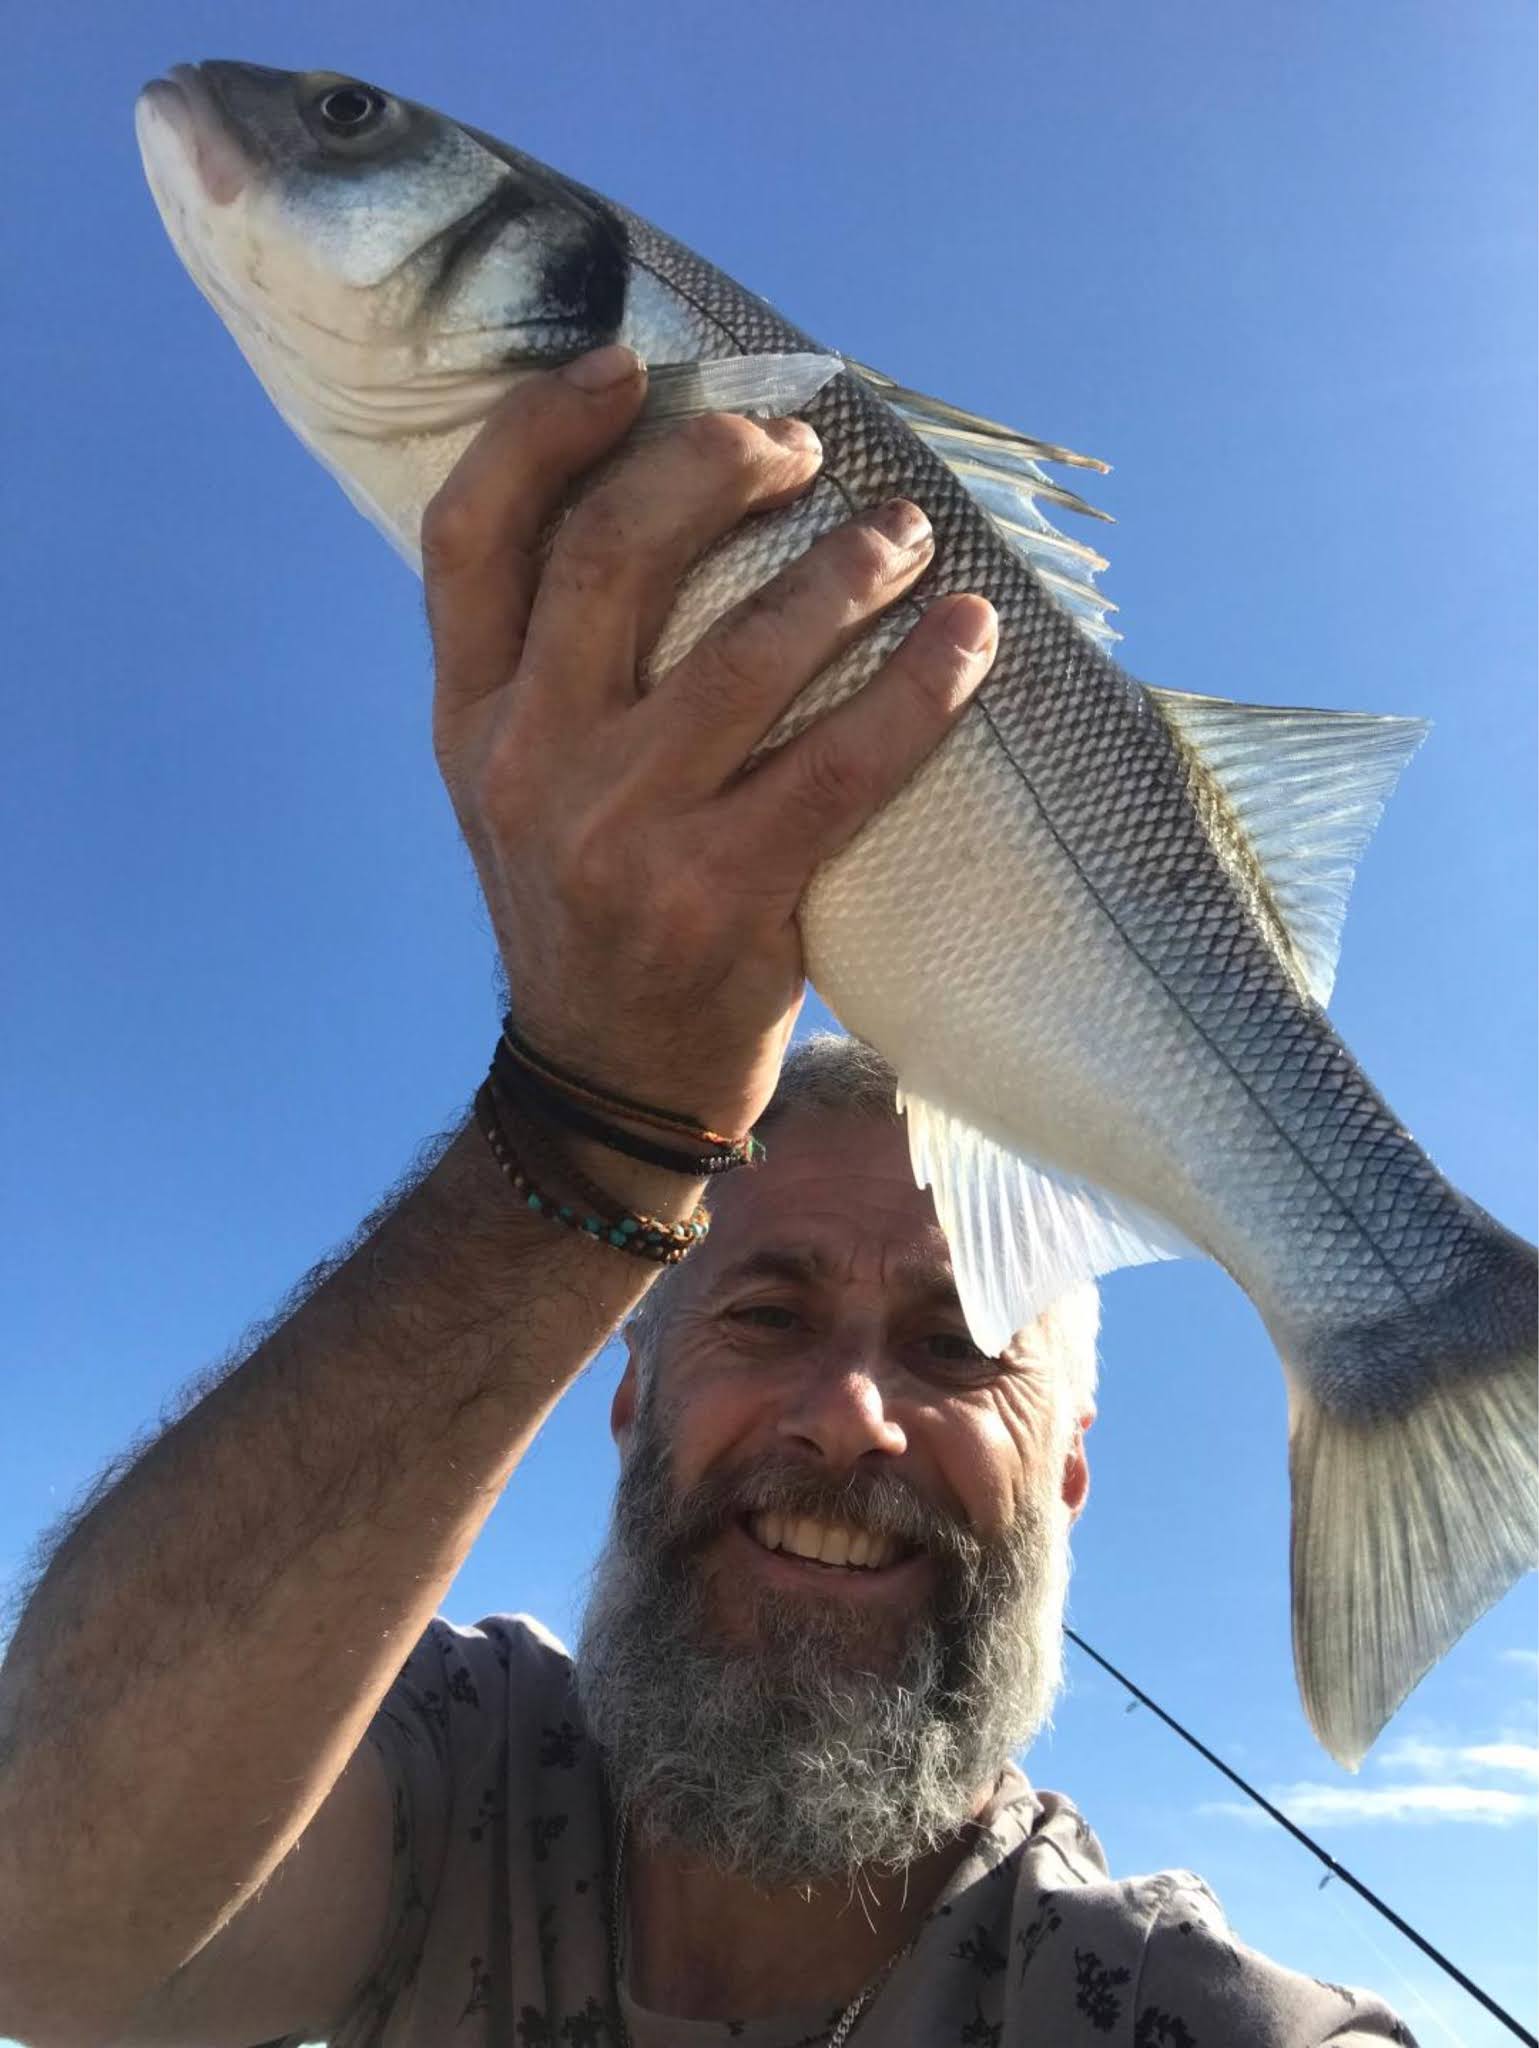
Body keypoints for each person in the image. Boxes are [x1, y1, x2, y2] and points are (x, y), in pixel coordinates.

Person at [0, 348, 1413, 2048]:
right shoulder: (446, 1772)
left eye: (965, 1347)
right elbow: (36, 1931)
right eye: (761, 1309)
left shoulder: (1168, 2013)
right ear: (629, 1394)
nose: (850, 1417)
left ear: (1077, 1467)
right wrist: (592, 1133)